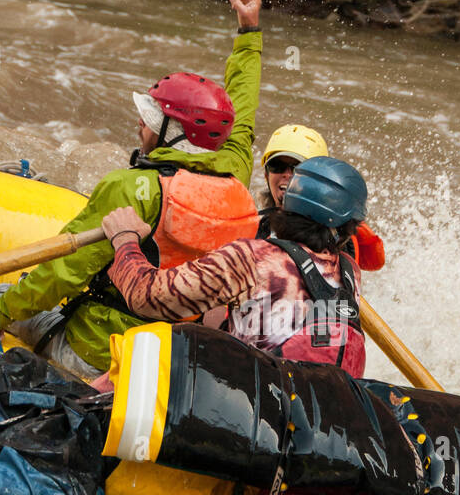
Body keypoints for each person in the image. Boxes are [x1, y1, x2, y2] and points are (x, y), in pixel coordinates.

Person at [0, 0, 264, 380]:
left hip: (102, 352)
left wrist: (1, 313)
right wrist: (249, 33)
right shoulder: (234, 173)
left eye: (149, 119)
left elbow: (63, 270)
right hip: (177, 357)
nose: (140, 127)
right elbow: (242, 109)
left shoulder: (132, 187)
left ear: (173, 131)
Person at [100, 156, 370, 376]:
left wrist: (125, 242)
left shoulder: (250, 258)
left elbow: (147, 297)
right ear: (346, 229)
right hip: (319, 411)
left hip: (256, 412)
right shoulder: (350, 271)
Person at [259, 124, 385, 270]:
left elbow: (375, 261)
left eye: (297, 168)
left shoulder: (343, 230)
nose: (286, 174)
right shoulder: (256, 226)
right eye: (276, 166)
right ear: (266, 175)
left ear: (319, 178)